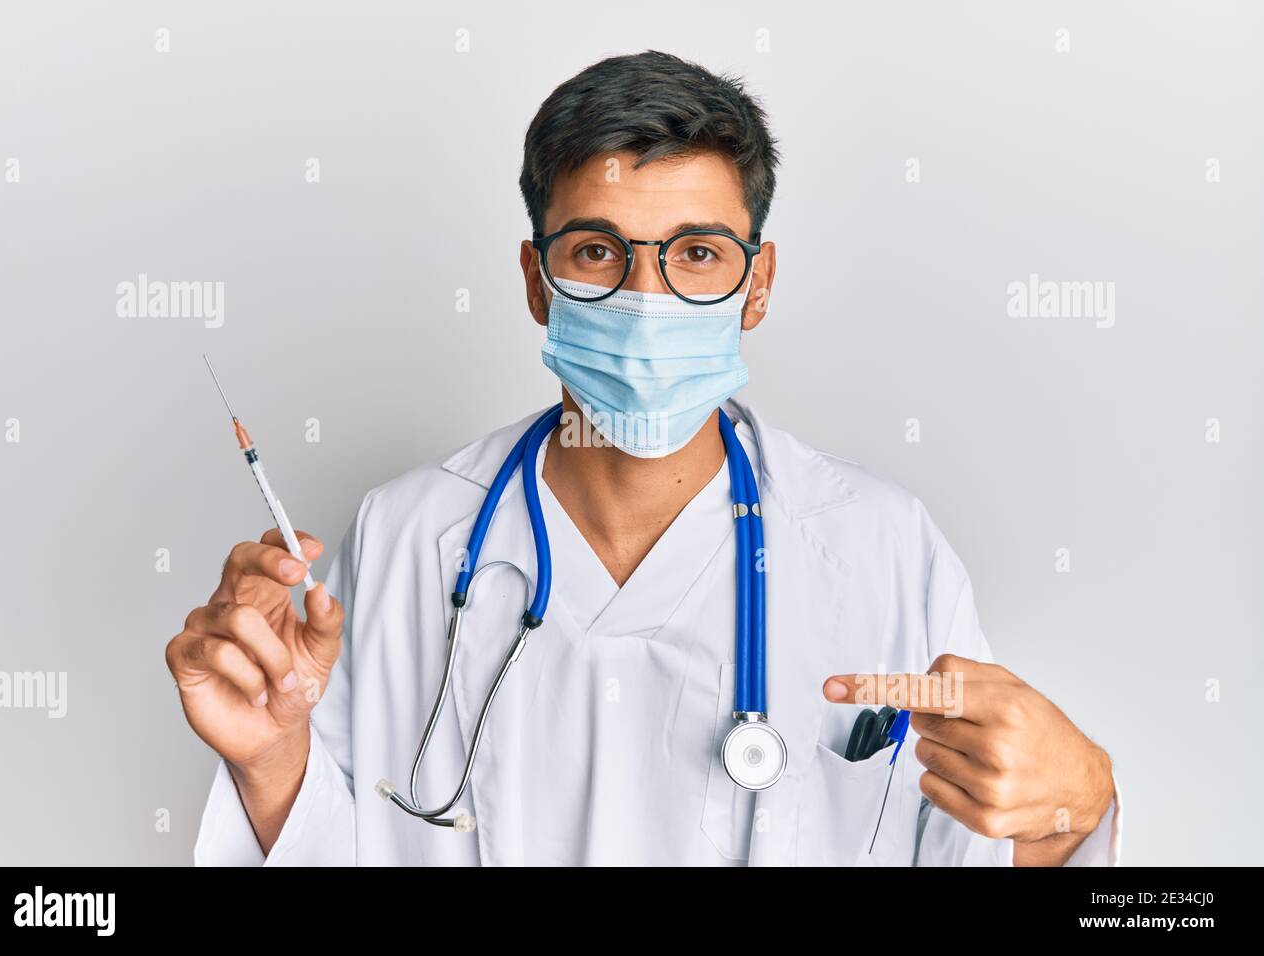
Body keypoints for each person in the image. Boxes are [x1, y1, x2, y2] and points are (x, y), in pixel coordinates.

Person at [167, 51, 1120, 866]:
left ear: (759, 284)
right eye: (597, 252)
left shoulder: (880, 546)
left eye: (697, 253)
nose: (647, 298)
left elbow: (984, 842)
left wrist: (1073, 810)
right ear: (538, 283)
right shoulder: (410, 533)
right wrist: (270, 761)